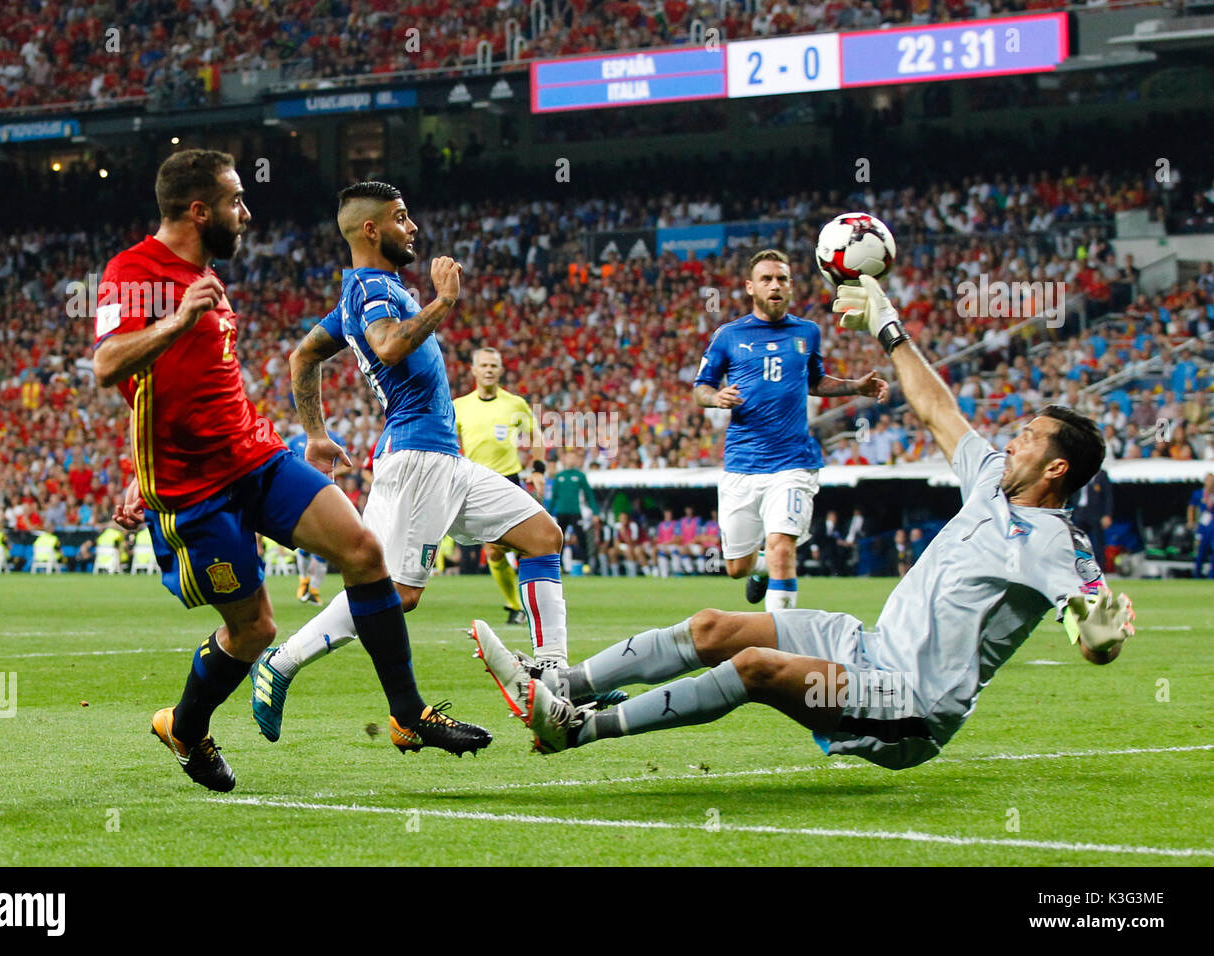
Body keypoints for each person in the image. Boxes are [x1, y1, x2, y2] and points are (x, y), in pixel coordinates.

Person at [470, 274, 1136, 768]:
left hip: (911, 702)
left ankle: (576, 728)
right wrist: (888, 326)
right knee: (714, 626)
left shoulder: (1058, 542)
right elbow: (937, 409)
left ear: (1056, 469)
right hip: (865, 645)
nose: (1014, 440)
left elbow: (1092, 634)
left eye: (1030, 438)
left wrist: (1102, 634)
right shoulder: (990, 478)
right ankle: (560, 683)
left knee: (757, 667)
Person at [95, 153, 489, 792]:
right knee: (254, 629)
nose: (247, 213)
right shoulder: (134, 272)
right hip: (194, 487)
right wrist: (178, 322)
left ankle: (409, 714)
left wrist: (310, 435)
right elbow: (109, 364)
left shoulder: (205, 277)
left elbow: (196, 388)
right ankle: (186, 728)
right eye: (236, 201)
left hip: (255, 454)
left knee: (363, 552)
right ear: (200, 210)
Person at [249, 181, 578, 743]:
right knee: (395, 594)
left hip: (444, 458)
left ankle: (553, 675)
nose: (413, 227)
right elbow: (388, 346)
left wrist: (317, 435)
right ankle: (281, 663)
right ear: (370, 229)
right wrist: (444, 300)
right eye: (401, 217)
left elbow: (304, 355)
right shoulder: (372, 288)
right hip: (416, 457)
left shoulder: (368, 291)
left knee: (543, 536)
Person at [693, 249, 888, 611]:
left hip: (793, 463)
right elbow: (700, 387)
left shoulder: (807, 332)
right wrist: (715, 397)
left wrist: (854, 386)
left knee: (782, 547)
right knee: (737, 568)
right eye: (766, 279)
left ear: (791, 286)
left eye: (782, 279)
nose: (775, 285)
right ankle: (761, 568)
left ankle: (781, 639)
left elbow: (814, 381)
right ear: (751, 287)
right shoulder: (728, 335)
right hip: (742, 464)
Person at [451, 346, 546, 626]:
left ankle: (536, 598)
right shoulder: (459, 406)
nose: (489, 370)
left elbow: (537, 437)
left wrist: (538, 470)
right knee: (492, 549)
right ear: (474, 370)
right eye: (484, 365)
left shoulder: (514, 404)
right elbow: (447, 441)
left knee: (527, 543)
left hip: (509, 481)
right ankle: (515, 606)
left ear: (501, 370)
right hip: (477, 483)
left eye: (493, 365)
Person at [285, 426, 350, 606]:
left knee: (325, 544)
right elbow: (287, 466)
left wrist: (324, 474)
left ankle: (313, 590)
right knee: (304, 543)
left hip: (328, 494)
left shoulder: (335, 437)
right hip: (301, 495)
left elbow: (348, 465)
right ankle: (304, 581)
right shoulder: (295, 440)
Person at [1072, 467, 1113, 567]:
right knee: (1079, 543)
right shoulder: (1078, 473)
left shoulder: (1101, 474)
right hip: (1080, 511)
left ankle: (1100, 568)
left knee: (1097, 544)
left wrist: (1107, 514)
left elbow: (1108, 496)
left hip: (1095, 512)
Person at [1188, 473, 1214, 578]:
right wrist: (1191, 521)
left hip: (1213, 526)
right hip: (1202, 527)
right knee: (1200, 552)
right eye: (1209, 480)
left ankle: (1212, 576)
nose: (1211, 482)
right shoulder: (1198, 493)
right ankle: (1197, 575)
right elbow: (1191, 507)